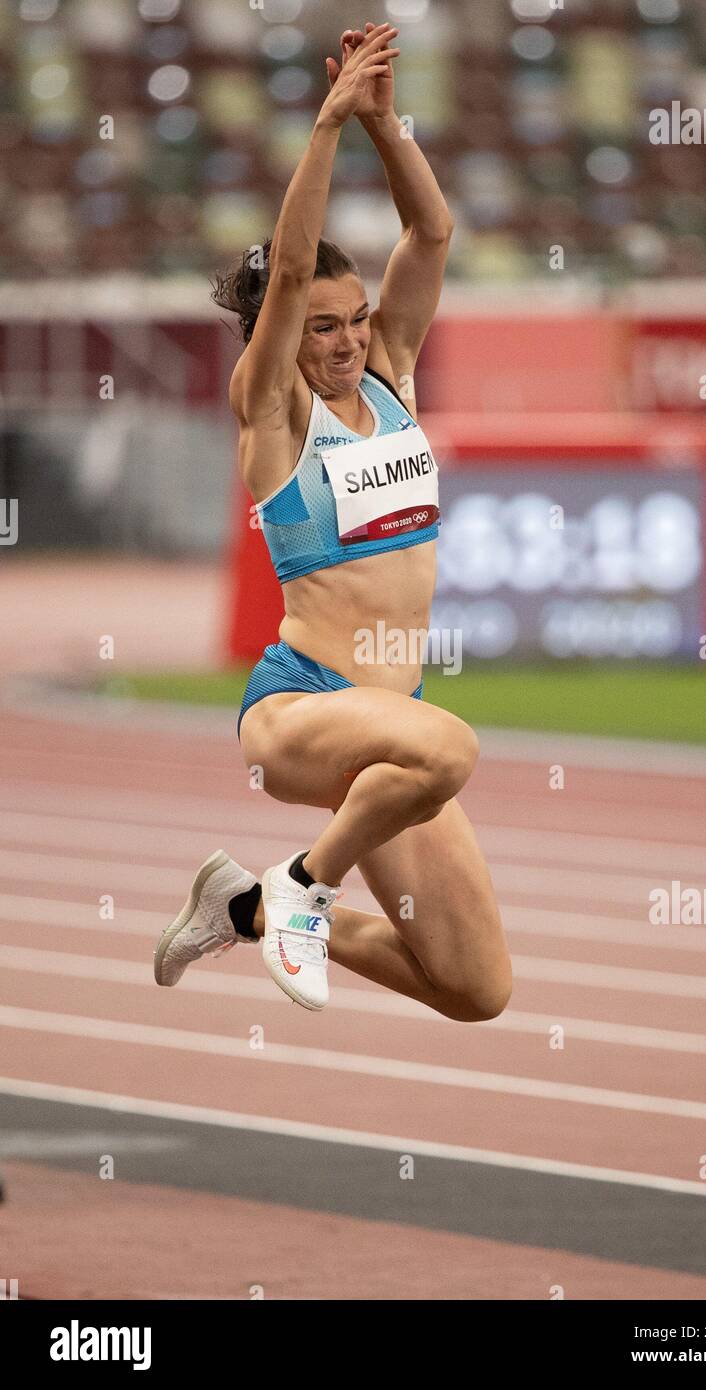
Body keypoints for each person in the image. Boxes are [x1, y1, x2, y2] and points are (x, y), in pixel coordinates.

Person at [153, 21, 512, 1024]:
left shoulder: (388, 373)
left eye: (356, 317)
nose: (350, 337)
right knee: (452, 751)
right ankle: (309, 888)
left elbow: (432, 235)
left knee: (476, 986)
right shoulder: (271, 413)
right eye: (323, 324)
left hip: (390, 727)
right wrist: (325, 127)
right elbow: (298, 249)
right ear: (282, 336)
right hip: (304, 710)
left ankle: (255, 903)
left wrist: (388, 126)